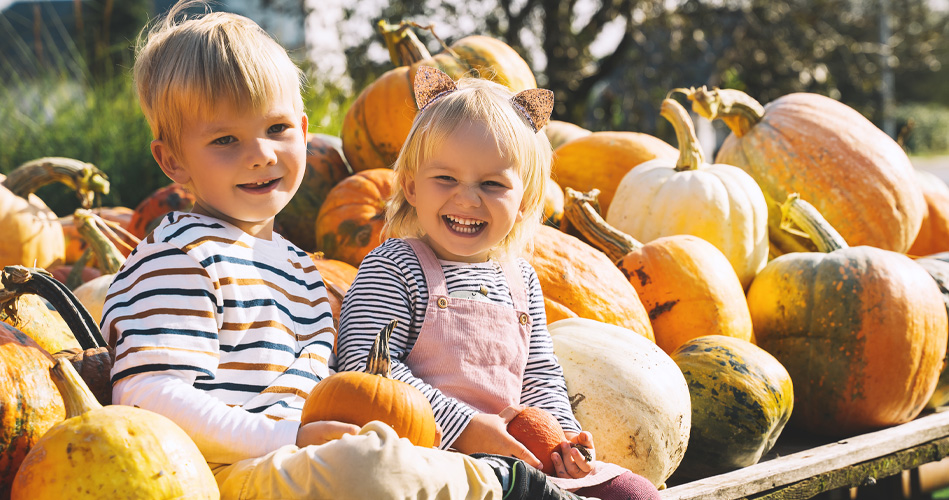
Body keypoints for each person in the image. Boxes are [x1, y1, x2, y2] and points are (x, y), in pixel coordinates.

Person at [102, 2, 593, 499]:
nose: (261, 154)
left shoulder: (298, 267)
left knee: (378, 457)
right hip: (224, 472)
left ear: (304, 131)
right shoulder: (182, 258)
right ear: (173, 160)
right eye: (226, 139)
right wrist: (289, 437)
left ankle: (514, 479)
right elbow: (147, 397)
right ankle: (504, 484)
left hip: (302, 460)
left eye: (276, 129)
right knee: (368, 465)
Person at [336, 66, 661, 500]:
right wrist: (466, 427)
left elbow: (539, 374)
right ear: (411, 186)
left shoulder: (520, 278)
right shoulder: (394, 266)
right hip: (430, 455)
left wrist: (562, 438)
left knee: (635, 492)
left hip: (516, 458)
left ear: (525, 201)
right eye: (445, 178)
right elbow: (366, 367)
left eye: (491, 184)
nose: (467, 198)